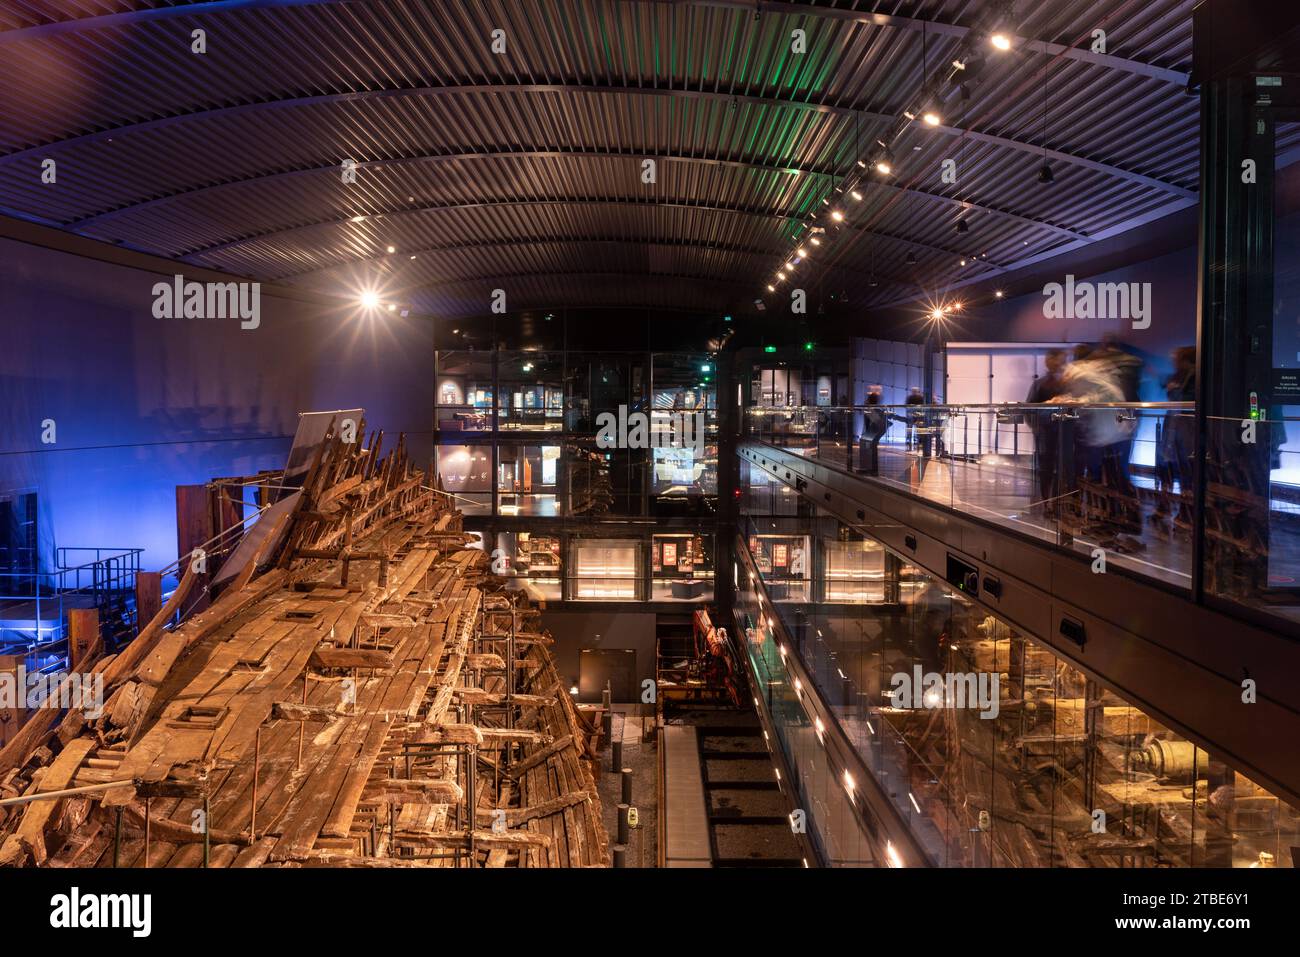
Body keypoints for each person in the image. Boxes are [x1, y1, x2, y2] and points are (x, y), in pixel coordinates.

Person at [1026, 349, 1067, 511]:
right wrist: (1036, 428)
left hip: (1053, 433)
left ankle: (1053, 503)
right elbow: (1029, 409)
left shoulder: (1043, 383)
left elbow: (1029, 408)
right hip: (1049, 433)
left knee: (1050, 468)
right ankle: (1049, 503)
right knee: (1048, 468)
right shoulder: (1043, 384)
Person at [858, 391, 889, 475]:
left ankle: (870, 469)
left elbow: (875, 422)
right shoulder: (875, 409)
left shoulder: (871, 409)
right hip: (877, 428)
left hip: (875, 429)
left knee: (867, 444)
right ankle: (869, 469)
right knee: (868, 445)